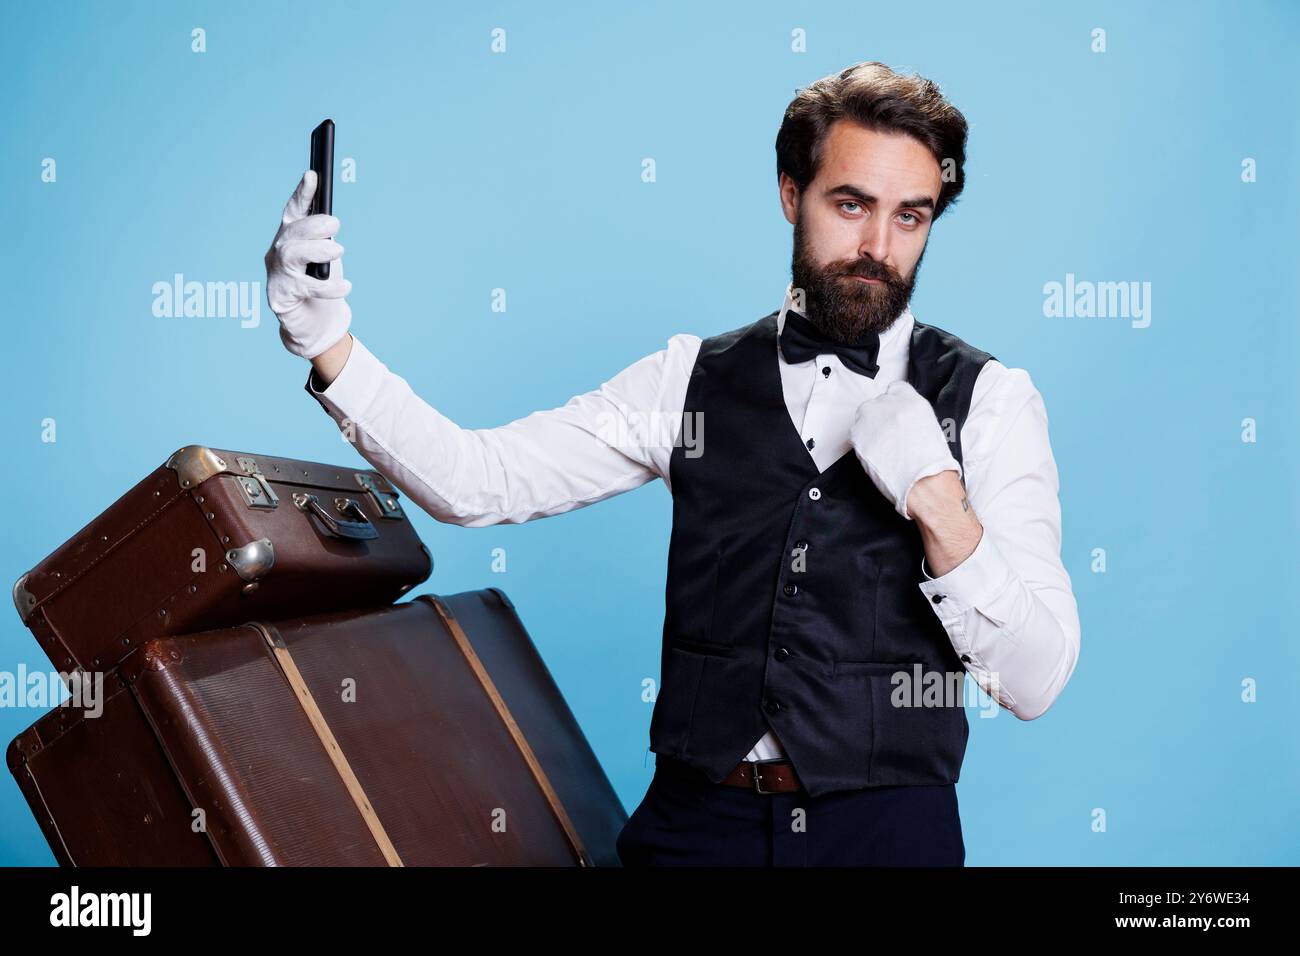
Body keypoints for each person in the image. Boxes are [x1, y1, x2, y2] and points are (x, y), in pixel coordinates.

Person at [263, 60, 1081, 867]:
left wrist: (943, 508)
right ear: (791, 193)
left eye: (911, 217)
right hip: (697, 828)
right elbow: (477, 481)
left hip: (889, 837)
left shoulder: (990, 400)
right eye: (851, 204)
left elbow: (1036, 681)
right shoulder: (688, 379)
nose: (877, 246)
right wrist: (328, 343)